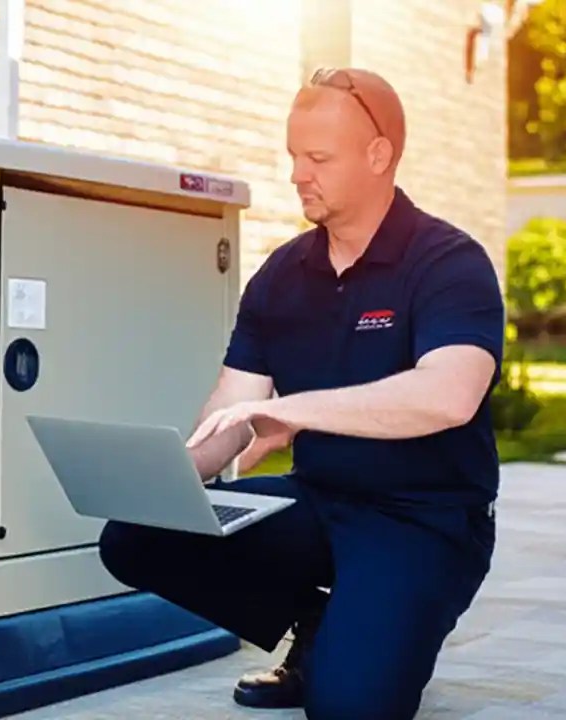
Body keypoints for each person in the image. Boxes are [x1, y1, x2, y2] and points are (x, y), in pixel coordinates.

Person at [96, 67, 505, 720]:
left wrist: (286, 410)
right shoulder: (283, 274)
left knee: (347, 708)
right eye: (293, 156)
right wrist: (166, 476)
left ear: (378, 157)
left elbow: (448, 396)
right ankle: (316, 623)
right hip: (319, 502)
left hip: (424, 522)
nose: (297, 174)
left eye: (317, 158)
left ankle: (361, 639)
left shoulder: (448, 263)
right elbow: (235, 409)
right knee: (134, 536)